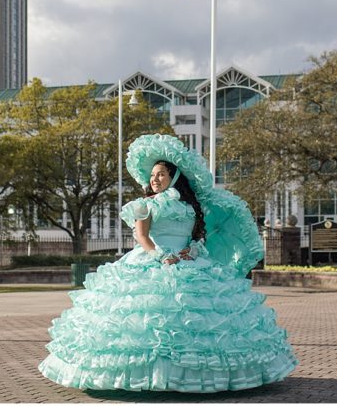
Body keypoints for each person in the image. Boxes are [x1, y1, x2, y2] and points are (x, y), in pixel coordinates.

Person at [38, 134, 298, 392]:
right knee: (148, 319)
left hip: (188, 261)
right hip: (153, 259)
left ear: (174, 177)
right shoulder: (144, 205)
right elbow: (141, 236)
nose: (155, 179)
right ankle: (147, 375)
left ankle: (193, 375)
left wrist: (193, 250)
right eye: (153, 175)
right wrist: (160, 255)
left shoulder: (190, 207)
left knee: (198, 319)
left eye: (161, 174)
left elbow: (198, 236)